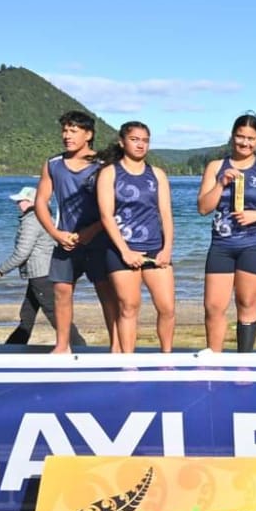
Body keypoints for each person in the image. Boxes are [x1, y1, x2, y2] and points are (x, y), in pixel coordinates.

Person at [197, 113, 256, 352]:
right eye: (240, 137)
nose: (245, 143)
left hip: (254, 245)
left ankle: (243, 361)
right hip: (222, 246)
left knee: (246, 303)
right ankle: (214, 359)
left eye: (250, 138)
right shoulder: (216, 167)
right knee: (214, 306)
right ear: (232, 136)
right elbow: (203, 208)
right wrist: (220, 184)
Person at [34, 110, 119, 353]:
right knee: (61, 290)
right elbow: (41, 202)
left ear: (88, 134)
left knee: (106, 291)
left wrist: (91, 231)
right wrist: (54, 233)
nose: (67, 135)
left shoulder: (104, 165)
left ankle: (116, 346)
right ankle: (62, 346)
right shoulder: (53, 164)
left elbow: (114, 206)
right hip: (65, 238)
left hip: (99, 238)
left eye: (73, 131)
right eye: (64, 130)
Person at [97, 122, 175, 353]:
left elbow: (166, 215)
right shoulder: (109, 173)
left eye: (145, 140)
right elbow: (106, 216)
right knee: (129, 307)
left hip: (155, 248)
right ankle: (128, 362)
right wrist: (125, 251)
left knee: (167, 308)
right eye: (135, 139)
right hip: (122, 250)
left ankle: (167, 357)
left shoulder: (157, 174)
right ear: (122, 142)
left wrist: (167, 248)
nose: (140, 144)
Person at [0, 186, 86, 347]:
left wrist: (2, 269)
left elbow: (22, 252)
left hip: (41, 275)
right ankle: (12, 347)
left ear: (31, 202)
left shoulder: (32, 220)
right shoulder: (43, 216)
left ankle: (79, 347)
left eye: (21, 201)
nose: (18, 204)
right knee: (27, 314)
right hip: (43, 272)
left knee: (56, 316)